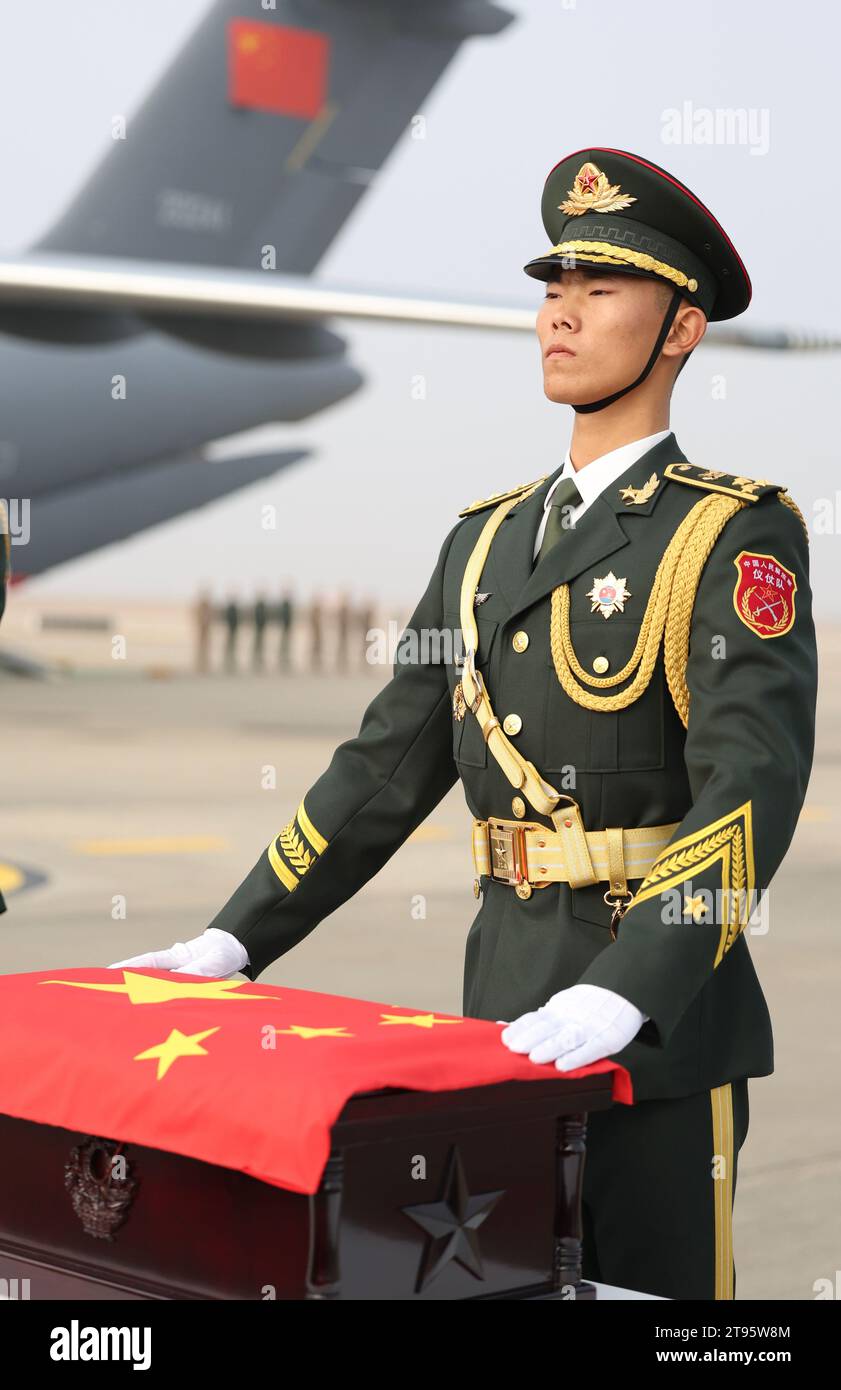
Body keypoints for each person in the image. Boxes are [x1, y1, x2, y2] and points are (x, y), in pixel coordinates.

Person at [110, 149, 818, 1299]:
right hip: (496, 1021)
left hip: (656, 1037)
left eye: (601, 290)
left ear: (680, 329)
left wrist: (631, 984)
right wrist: (235, 939)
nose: (561, 314)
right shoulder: (483, 543)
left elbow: (751, 790)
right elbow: (382, 767)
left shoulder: (729, 536)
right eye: (553, 288)